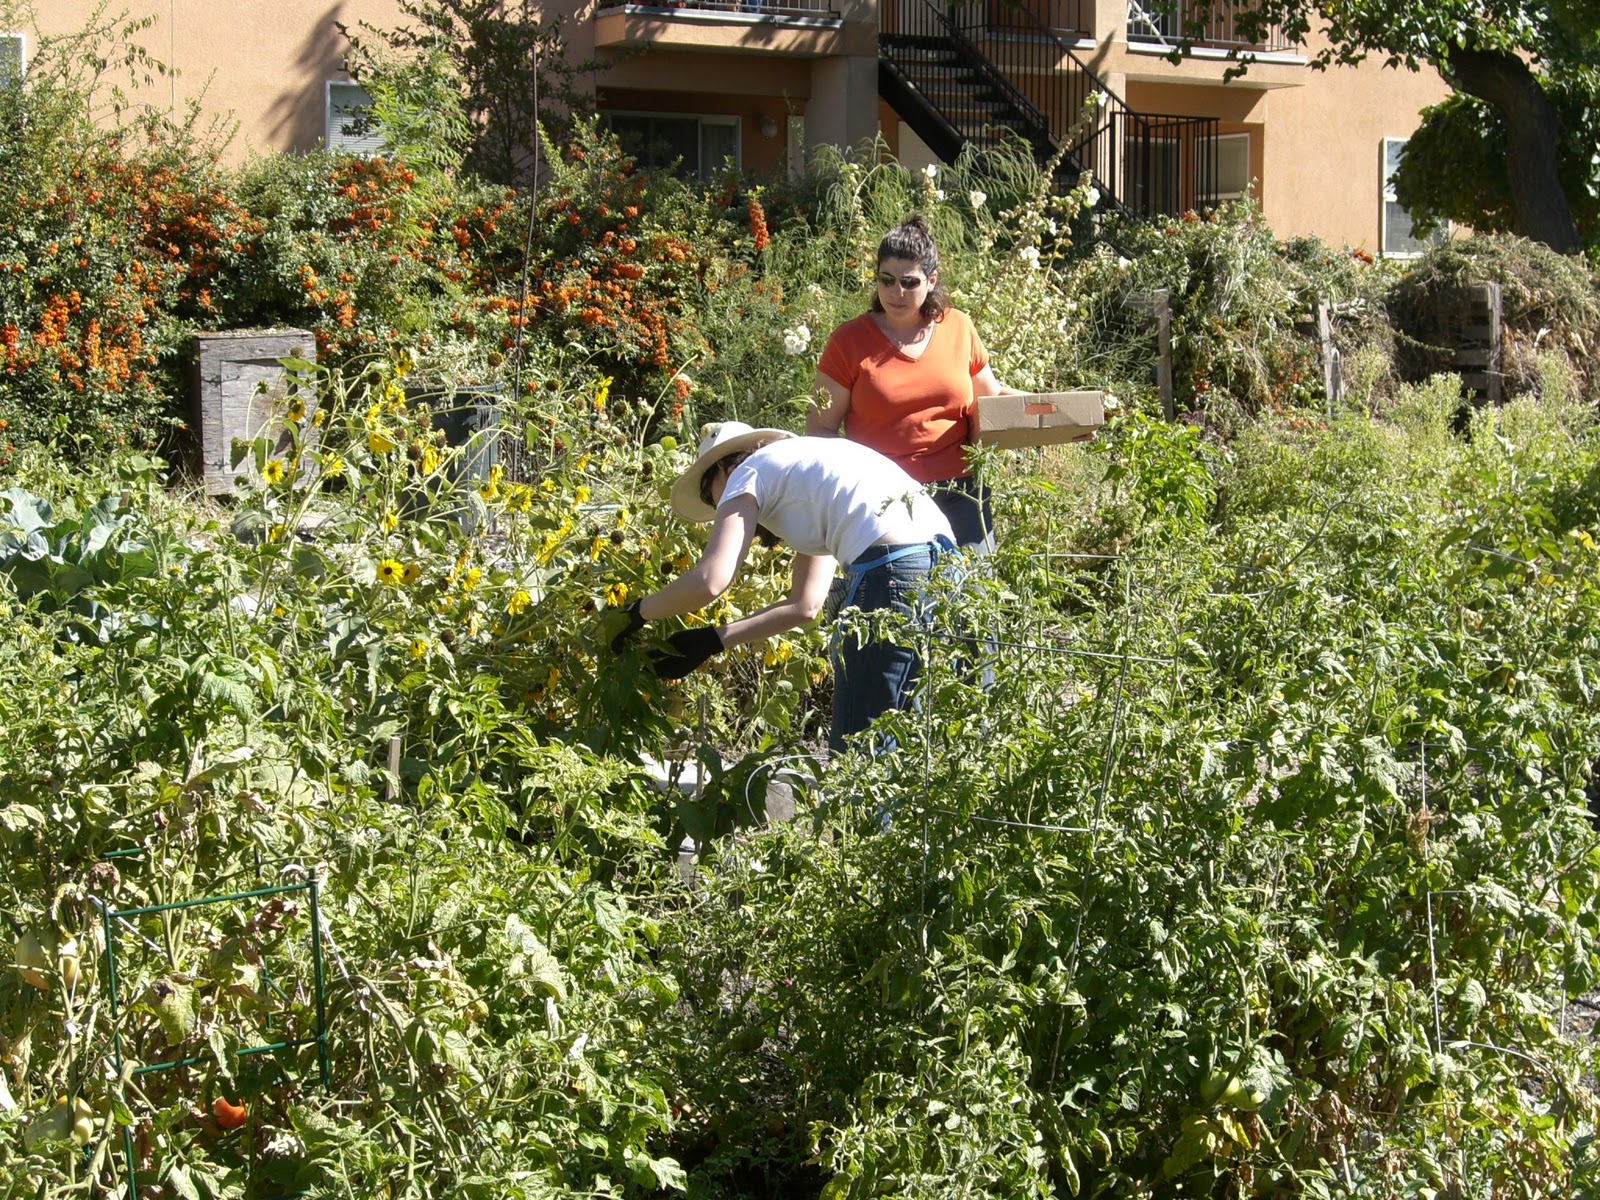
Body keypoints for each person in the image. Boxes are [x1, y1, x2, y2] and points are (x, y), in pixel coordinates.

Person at [609, 421, 955, 753]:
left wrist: (637, 612)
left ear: (724, 470)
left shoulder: (748, 472)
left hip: (890, 571)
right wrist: (713, 639)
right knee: (896, 743)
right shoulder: (804, 471)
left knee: (858, 753)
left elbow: (711, 580)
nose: (719, 510)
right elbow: (804, 604)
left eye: (710, 496)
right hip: (945, 570)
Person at [807, 215, 1023, 551]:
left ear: (931, 280)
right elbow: (819, 431)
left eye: (909, 282)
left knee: (974, 597)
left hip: (960, 494)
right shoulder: (847, 342)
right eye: (887, 280)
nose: (896, 292)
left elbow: (993, 400)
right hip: (882, 501)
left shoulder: (959, 327)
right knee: (900, 601)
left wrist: (1062, 414)